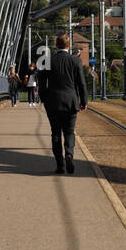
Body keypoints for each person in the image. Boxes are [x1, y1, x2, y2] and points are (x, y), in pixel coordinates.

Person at [37, 34, 89, 174]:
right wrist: (84, 101)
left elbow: (41, 82)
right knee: (69, 132)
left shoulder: (48, 60)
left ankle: (60, 165)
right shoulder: (75, 61)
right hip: (71, 102)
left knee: (55, 133)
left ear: (56, 45)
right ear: (69, 45)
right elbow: (82, 84)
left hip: (53, 102)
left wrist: (44, 98)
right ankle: (69, 154)